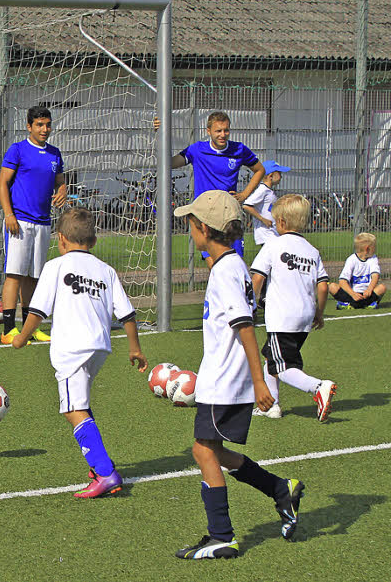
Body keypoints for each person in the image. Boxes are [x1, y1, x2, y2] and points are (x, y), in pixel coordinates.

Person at [173, 190, 304, 560]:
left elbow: (245, 326)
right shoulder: (230, 265)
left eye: (191, 223)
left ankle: (222, 536)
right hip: (225, 377)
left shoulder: (226, 271)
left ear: (203, 229)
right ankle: (280, 489)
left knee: (203, 450)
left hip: (226, 380)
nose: (189, 228)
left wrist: (260, 380)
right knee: (212, 450)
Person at [11, 207, 147, 498]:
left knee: (72, 409)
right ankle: (98, 463)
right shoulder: (105, 270)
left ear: (60, 239)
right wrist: (135, 348)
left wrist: (21, 338)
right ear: (94, 241)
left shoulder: (55, 267)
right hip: (100, 346)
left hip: (71, 348)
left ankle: (105, 473)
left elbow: (36, 311)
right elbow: (128, 315)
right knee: (81, 403)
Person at [248, 195, 335, 421]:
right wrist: (319, 312)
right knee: (271, 356)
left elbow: (257, 278)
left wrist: (250, 306)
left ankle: (318, 387)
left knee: (282, 366)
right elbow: (323, 286)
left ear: (282, 222)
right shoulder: (312, 250)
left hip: (282, 316)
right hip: (304, 317)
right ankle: (272, 406)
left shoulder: (272, 245)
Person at [0, 105, 67, 345]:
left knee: (34, 277)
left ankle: (30, 328)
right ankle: (8, 329)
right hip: (19, 221)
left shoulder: (55, 154)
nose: (44, 129)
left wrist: (63, 190)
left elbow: (60, 181)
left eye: (47, 124)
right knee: (15, 275)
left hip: (43, 222)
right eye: (39, 125)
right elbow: (2, 184)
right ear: (29, 126)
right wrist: (9, 214)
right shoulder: (17, 150)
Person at [167, 111, 266, 267]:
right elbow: (169, 163)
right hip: (206, 216)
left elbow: (260, 170)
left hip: (229, 214)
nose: (223, 134)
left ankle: (238, 290)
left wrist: (245, 194)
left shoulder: (239, 150)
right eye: (218, 131)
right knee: (215, 265)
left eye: (226, 130)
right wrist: (160, 134)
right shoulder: (197, 150)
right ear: (208, 131)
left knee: (236, 262)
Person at [241, 160, 288, 308]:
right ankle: (260, 298)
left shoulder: (268, 191)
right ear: (271, 175)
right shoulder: (262, 190)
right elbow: (247, 205)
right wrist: (262, 219)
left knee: (272, 265)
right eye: (279, 173)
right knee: (269, 266)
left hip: (272, 234)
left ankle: (264, 296)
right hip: (267, 235)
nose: (281, 176)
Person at [328, 232, 384, 309]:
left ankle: (351, 304)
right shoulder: (351, 260)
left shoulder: (373, 258)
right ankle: (364, 304)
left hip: (367, 293)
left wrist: (369, 290)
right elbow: (342, 281)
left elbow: (375, 276)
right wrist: (353, 294)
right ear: (367, 248)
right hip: (352, 294)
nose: (375, 249)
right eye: (374, 247)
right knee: (332, 287)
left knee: (382, 287)